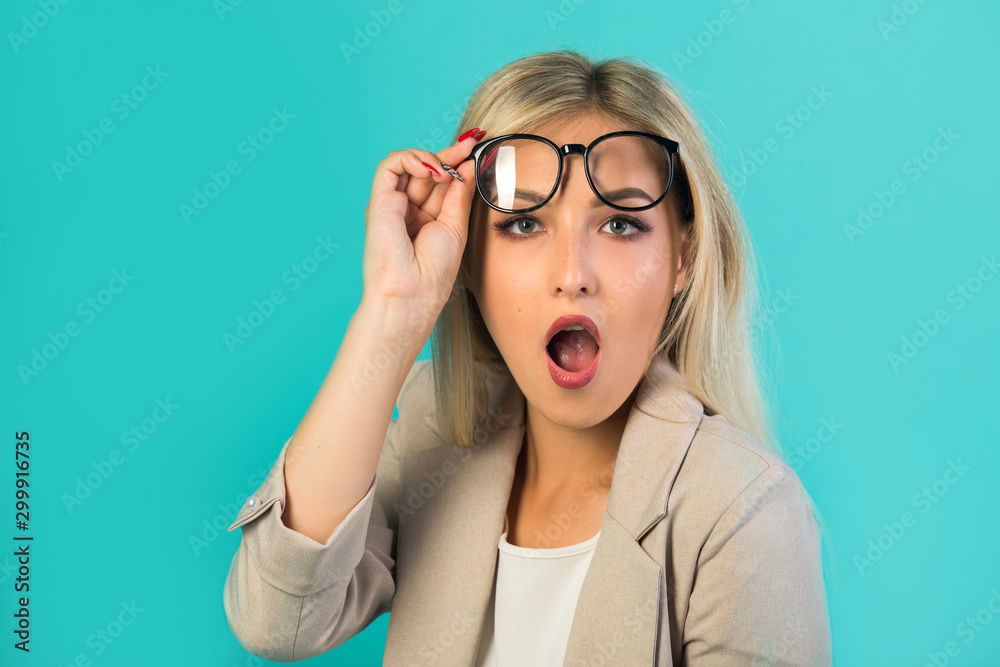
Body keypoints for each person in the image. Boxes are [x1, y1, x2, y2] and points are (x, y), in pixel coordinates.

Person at [222, 49, 833, 665]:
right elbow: (278, 620)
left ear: (684, 258)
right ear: (466, 257)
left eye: (620, 225)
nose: (572, 274)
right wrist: (393, 310)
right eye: (523, 224)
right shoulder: (433, 440)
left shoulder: (743, 507)